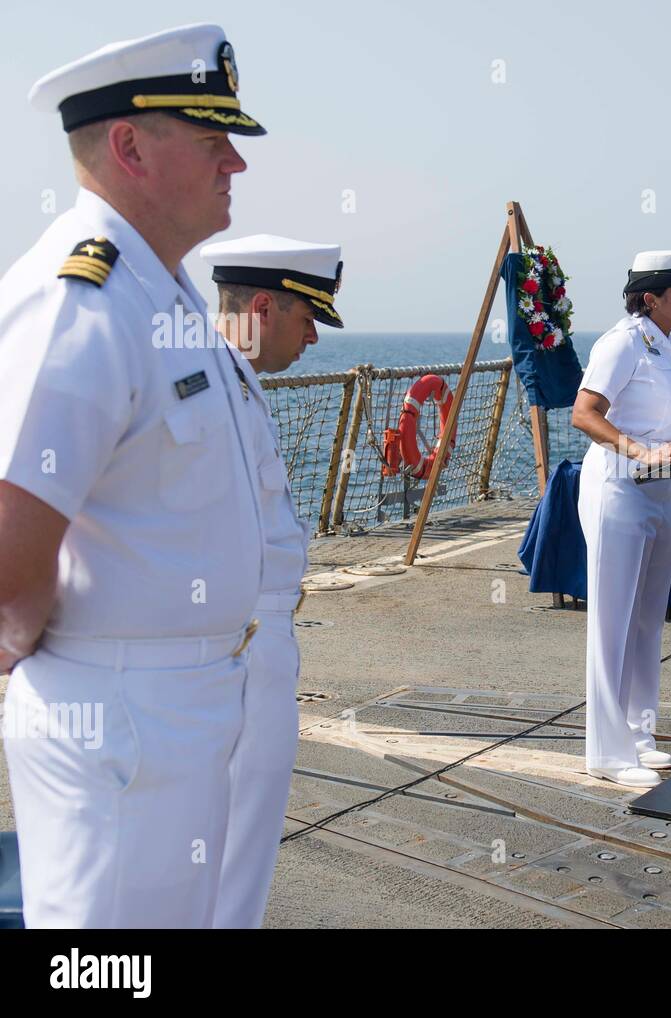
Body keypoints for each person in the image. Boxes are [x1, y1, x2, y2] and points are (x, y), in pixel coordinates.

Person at [0, 23, 267, 928]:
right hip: (116, 716)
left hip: (173, 708)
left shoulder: (164, 290)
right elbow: (9, 537)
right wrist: (70, 659)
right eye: (210, 139)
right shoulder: (83, 297)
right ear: (128, 147)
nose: (235, 161)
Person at [200, 234, 342, 926]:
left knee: (228, 847)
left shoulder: (226, 384)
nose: (314, 337)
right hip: (241, 644)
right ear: (261, 306)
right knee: (236, 850)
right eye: (306, 316)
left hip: (246, 640)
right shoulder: (212, 390)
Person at [571, 251, 671, 788]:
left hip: (663, 490)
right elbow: (584, 412)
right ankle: (606, 750)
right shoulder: (623, 341)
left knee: (650, 618)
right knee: (612, 622)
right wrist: (636, 451)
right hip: (619, 489)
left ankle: (638, 732)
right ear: (651, 297)